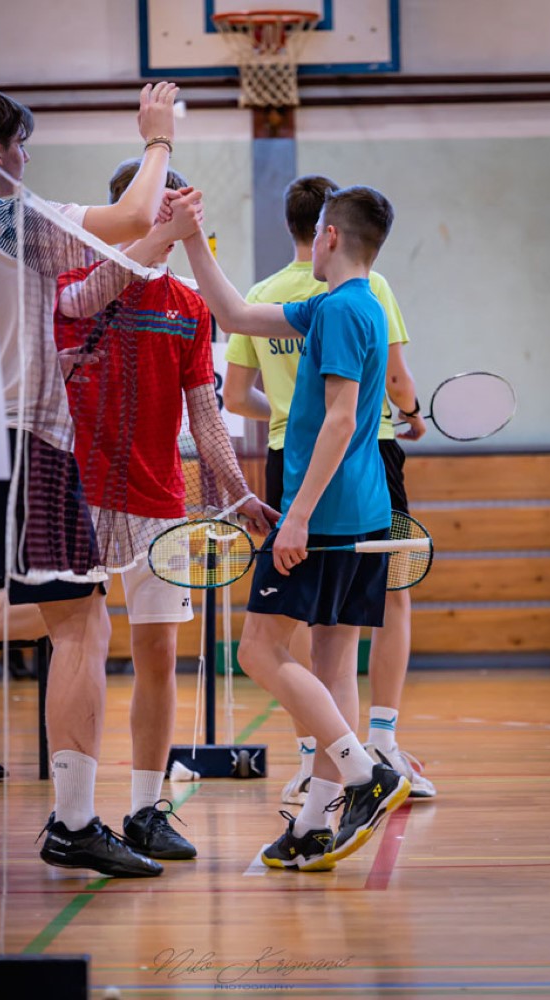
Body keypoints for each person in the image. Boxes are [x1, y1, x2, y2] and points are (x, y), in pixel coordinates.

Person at [0, 83, 184, 879]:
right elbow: (135, 218)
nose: (28, 163)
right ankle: (72, 822)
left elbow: (84, 283)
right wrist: (157, 141)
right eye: (23, 149)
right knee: (79, 621)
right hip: (21, 436)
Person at [181, 184, 411, 871]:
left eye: (315, 235)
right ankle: (314, 821)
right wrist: (193, 236)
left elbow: (340, 420)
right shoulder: (342, 304)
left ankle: (366, 774)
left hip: (327, 511)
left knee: (258, 651)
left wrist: (299, 517)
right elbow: (234, 313)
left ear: (329, 237)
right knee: (330, 664)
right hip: (359, 508)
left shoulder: (340, 311)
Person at [54, 160, 277, 860]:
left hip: (161, 502)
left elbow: (206, 415)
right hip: (78, 496)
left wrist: (237, 488)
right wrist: (156, 235)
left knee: (158, 655)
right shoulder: (75, 283)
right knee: (67, 637)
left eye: (174, 209)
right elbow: (92, 294)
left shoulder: (188, 304)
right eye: (153, 209)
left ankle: (146, 811)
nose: (166, 220)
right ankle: (73, 815)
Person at [223, 175, 436, 803]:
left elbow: (244, 396)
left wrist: (293, 430)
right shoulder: (367, 292)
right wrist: (413, 411)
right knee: (351, 636)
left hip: (311, 477)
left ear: (327, 235)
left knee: (269, 645)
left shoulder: (307, 298)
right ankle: (358, 767)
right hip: (365, 471)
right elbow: (394, 381)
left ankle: (352, 767)